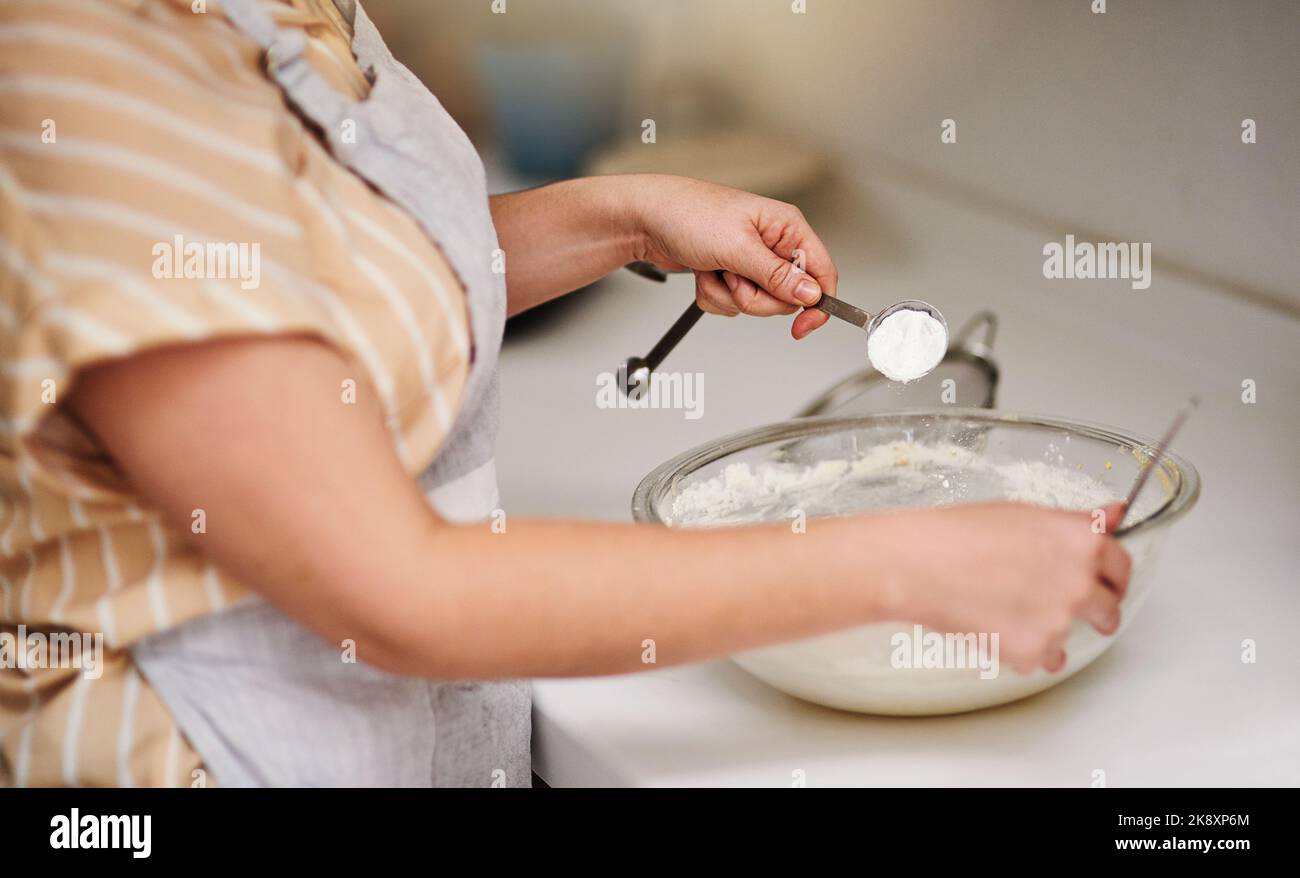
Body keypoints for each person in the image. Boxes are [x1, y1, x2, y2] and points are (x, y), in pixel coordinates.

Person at [0, 0, 1129, 787]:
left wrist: (628, 216)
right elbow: (395, 592)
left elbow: (335, 283)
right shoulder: (97, 53)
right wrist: (908, 563)